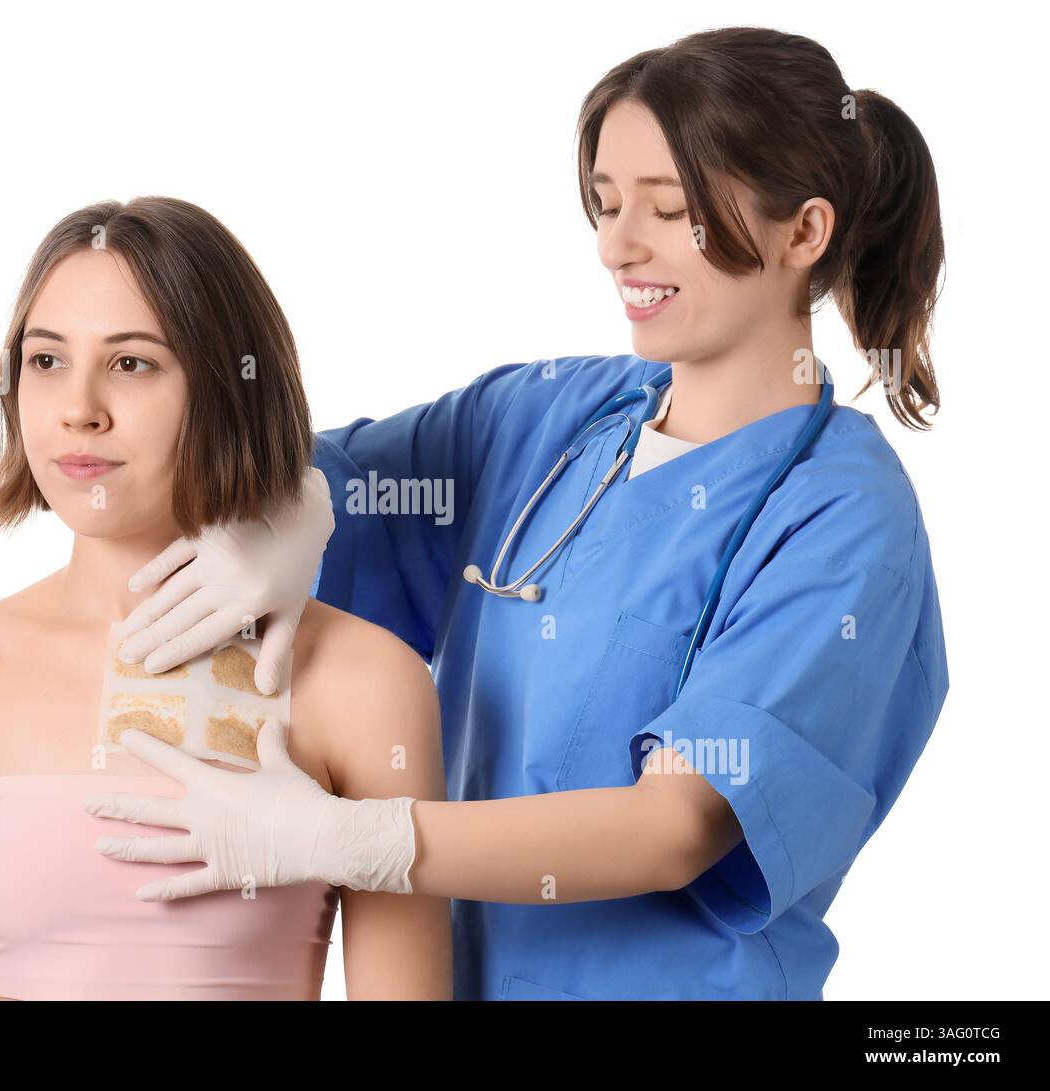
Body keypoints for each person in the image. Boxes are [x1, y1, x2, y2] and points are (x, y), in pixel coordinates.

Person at [95, 27, 949, 1001]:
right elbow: (305, 468)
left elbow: (676, 825)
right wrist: (299, 505)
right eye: (606, 203)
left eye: (669, 210)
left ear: (803, 233)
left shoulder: (843, 516)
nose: (615, 246)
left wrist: (353, 838)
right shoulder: (548, 417)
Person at [0, 196, 451, 1001]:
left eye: (132, 362)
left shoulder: (363, 681)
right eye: (46, 360)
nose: (78, 408)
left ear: (230, 391)